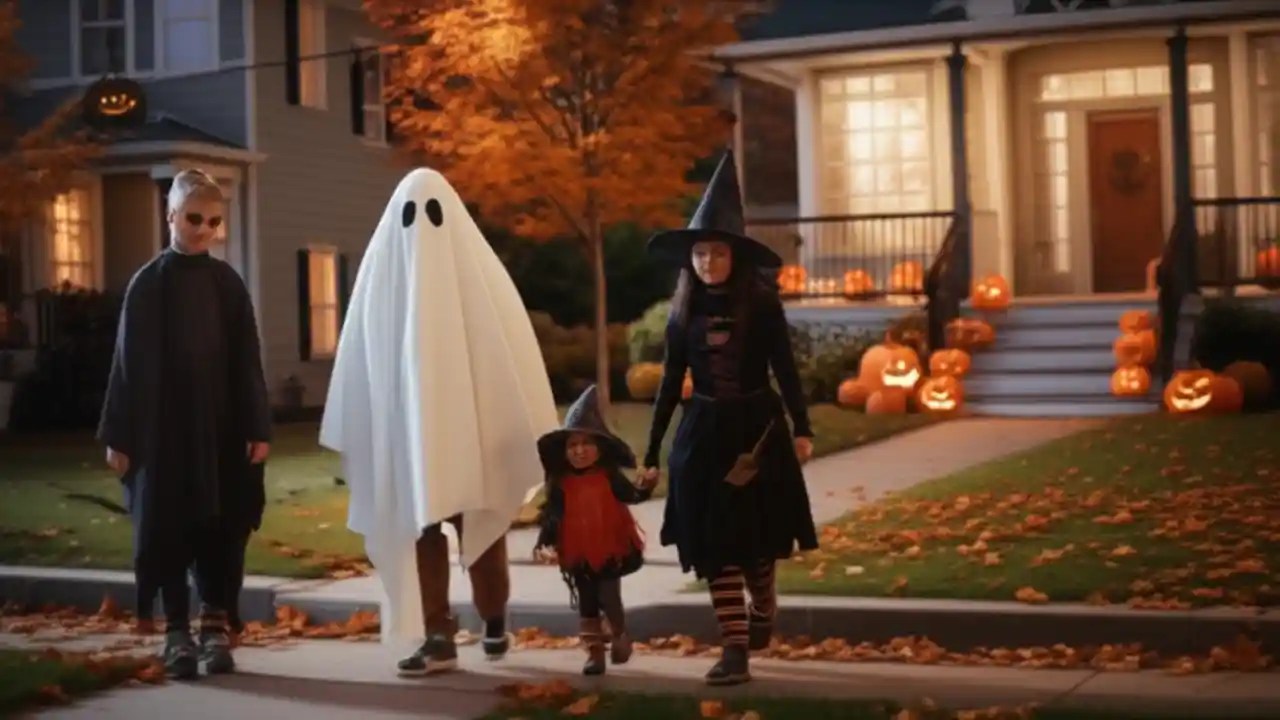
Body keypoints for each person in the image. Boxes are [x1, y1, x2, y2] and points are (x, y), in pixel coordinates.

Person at [319, 167, 559, 677]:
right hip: (411, 442)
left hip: (474, 439)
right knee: (422, 528)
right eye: (410, 215)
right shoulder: (383, 284)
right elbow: (365, 363)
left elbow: (505, 362)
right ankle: (437, 633)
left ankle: (493, 616)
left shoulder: (480, 283)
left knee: (482, 524)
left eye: (432, 214)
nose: (421, 228)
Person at [639, 150, 818, 687]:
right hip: (704, 433)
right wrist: (652, 452)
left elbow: (784, 368)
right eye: (699, 254)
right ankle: (734, 648)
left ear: (734, 256)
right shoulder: (683, 313)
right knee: (715, 544)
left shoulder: (761, 307)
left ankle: (764, 600)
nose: (707, 262)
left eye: (717, 253)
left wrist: (802, 427)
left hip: (756, 431)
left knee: (756, 544)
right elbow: (671, 381)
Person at [98, 168, 271, 679]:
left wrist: (257, 426)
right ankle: (176, 629)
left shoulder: (227, 285)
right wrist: (119, 434)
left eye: (214, 221)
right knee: (167, 521)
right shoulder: (148, 285)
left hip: (220, 425)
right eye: (194, 218)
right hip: (163, 429)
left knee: (222, 521)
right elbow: (126, 364)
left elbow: (247, 360)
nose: (204, 230)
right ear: (171, 214)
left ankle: (215, 623)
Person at [532, 385, 656, 675]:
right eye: (572, 445)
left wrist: (646, 487)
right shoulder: (561, 483)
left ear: (600, 448)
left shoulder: (609, 476)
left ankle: (619, 634)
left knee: (609, 595)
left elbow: (631, 496)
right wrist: (544, 542)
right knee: (587, 600)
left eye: (586, 444)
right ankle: (594, 652)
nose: (579, 451)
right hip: (576, 551)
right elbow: (552, 516)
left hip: (610, 547)